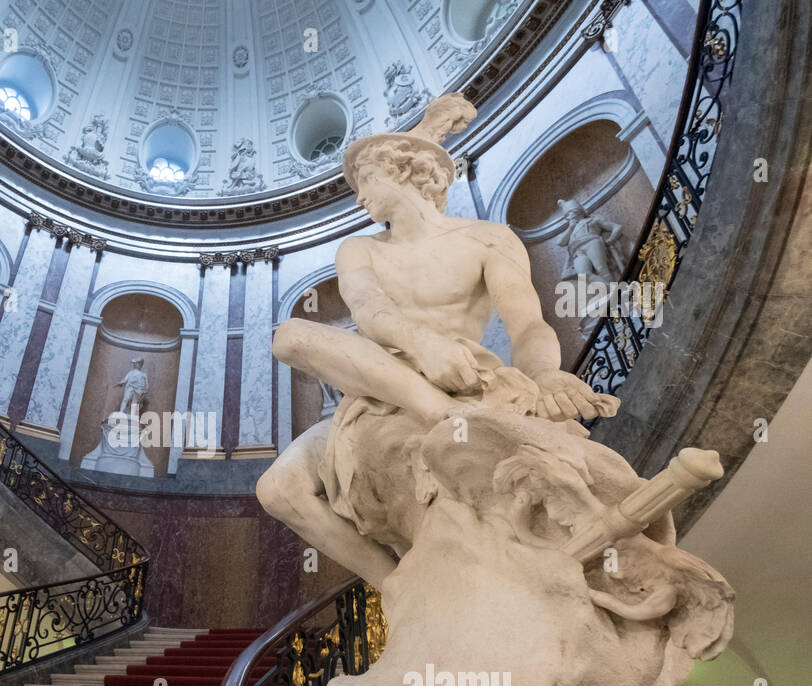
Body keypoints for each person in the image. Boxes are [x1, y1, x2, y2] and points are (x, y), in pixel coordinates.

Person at [257, 92, 618, 587]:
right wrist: (423, 346)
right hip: (386, 384)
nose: (359, 198)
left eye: (366, 182)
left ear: (402, 172)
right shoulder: (359, 248)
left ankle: (451, 413)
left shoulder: (487, 238)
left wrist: (546, 374)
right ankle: (396, 585)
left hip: (466, 373)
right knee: (279, 477)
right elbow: (369, 310)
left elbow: (529, 324)